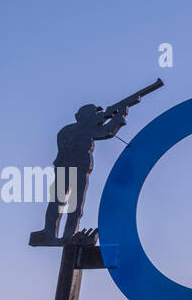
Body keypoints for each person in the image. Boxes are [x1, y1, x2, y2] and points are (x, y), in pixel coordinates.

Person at [30, 103, 128, 244]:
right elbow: (107, 130)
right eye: (95, 114)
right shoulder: (83, 129)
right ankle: (68, 235)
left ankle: (50, 232)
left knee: (57, 202)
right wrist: (120, 115)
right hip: (77, 167)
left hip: (64, 167)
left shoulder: (66, 130)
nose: (97, 116)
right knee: (74, 205)